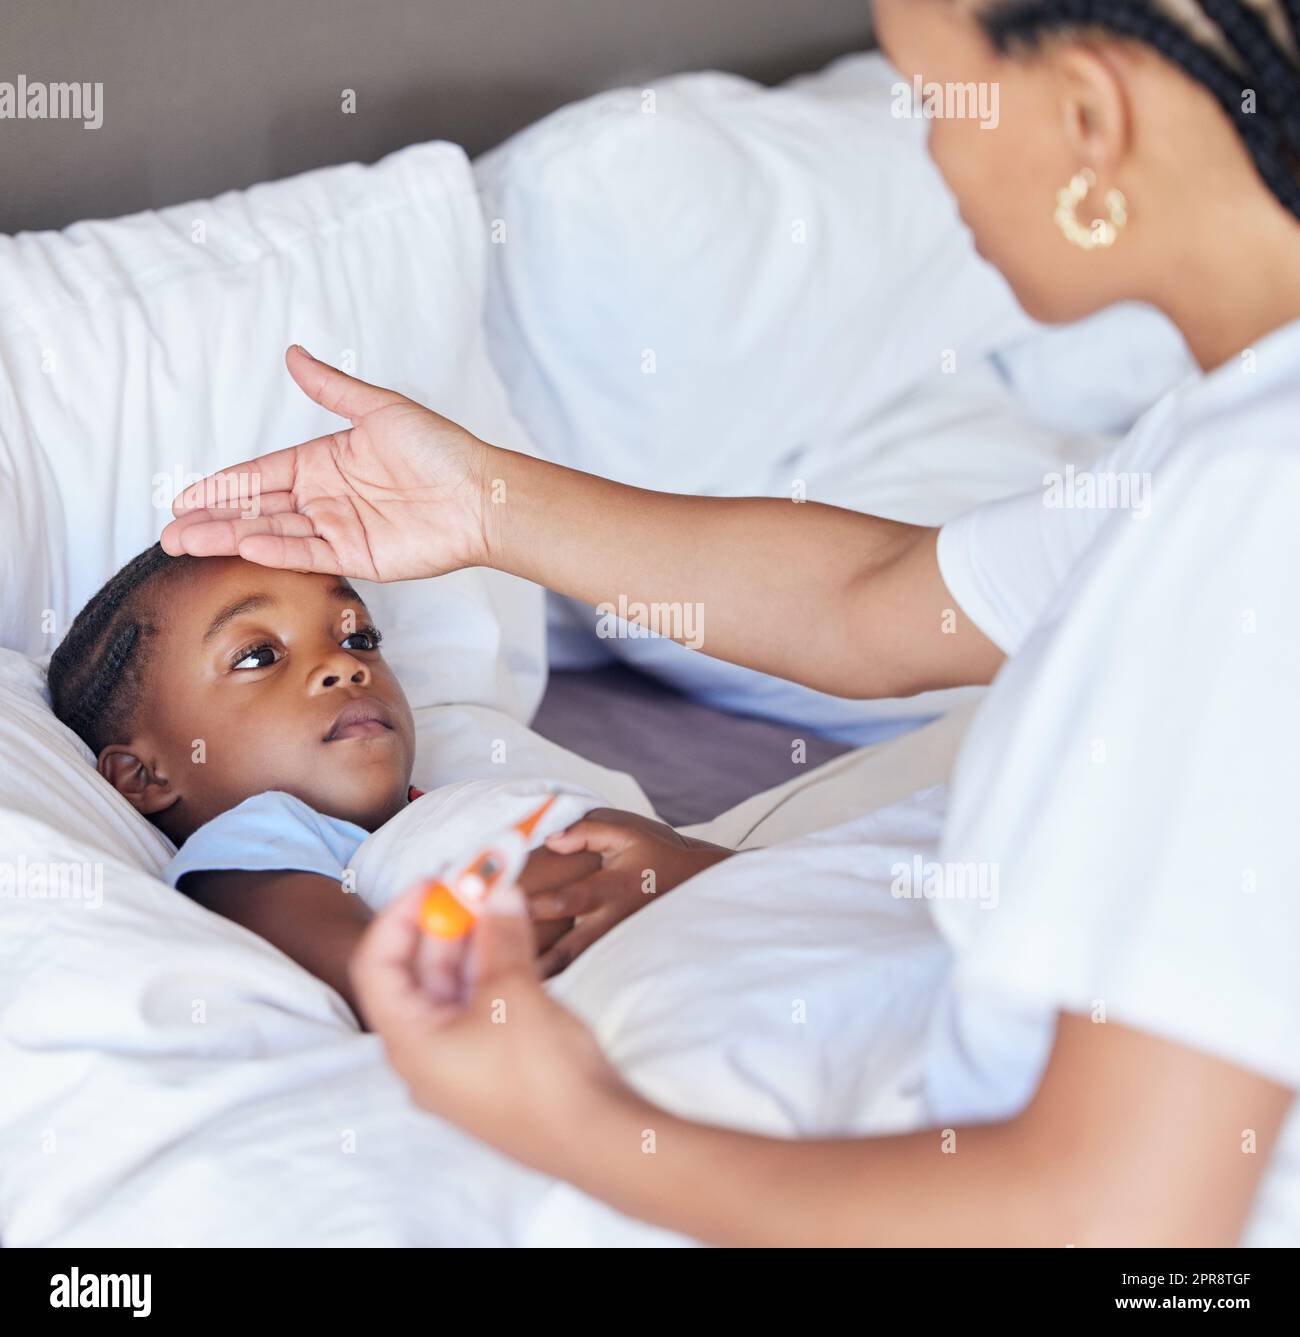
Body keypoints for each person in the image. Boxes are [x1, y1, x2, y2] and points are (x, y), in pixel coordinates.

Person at [161, 0, 1300, 1245]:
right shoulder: (1228, 439)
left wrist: (564, 1111)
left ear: (1088, 113)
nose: (929, 151)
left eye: (932, 104)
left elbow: (1116, 1222)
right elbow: (876, 601)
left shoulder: (1250, 515)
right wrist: (482, 497)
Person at [47, 546, 727, 1016]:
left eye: (359, 637)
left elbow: (736, 870)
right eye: (259, 655)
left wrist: (670, 863)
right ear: (143, 774)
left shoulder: (436, 807)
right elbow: (390, 979)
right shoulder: (262, 835)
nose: (343, 667)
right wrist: (574, 885)